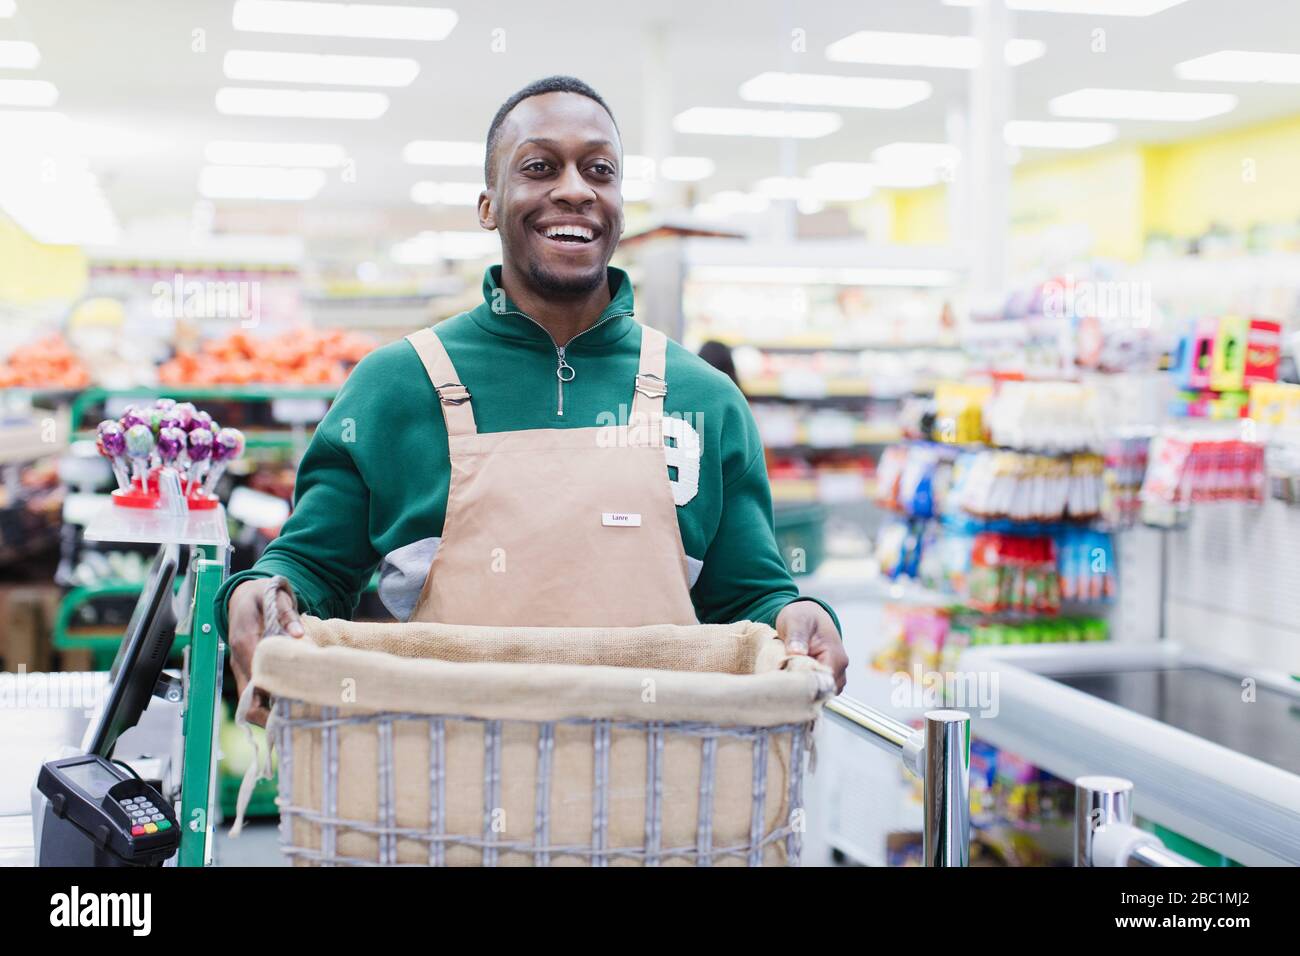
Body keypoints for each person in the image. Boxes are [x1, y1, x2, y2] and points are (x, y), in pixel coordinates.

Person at [222, 75, 848, 725]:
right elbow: (310, 569)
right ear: (488, 205)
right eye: (540, 167)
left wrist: (799, 617)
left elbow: (751, 599)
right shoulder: (395, 387)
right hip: (437, 771)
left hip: (659, 773)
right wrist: (260, 594)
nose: (576, 189)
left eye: (600, 170)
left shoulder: (705, 401)